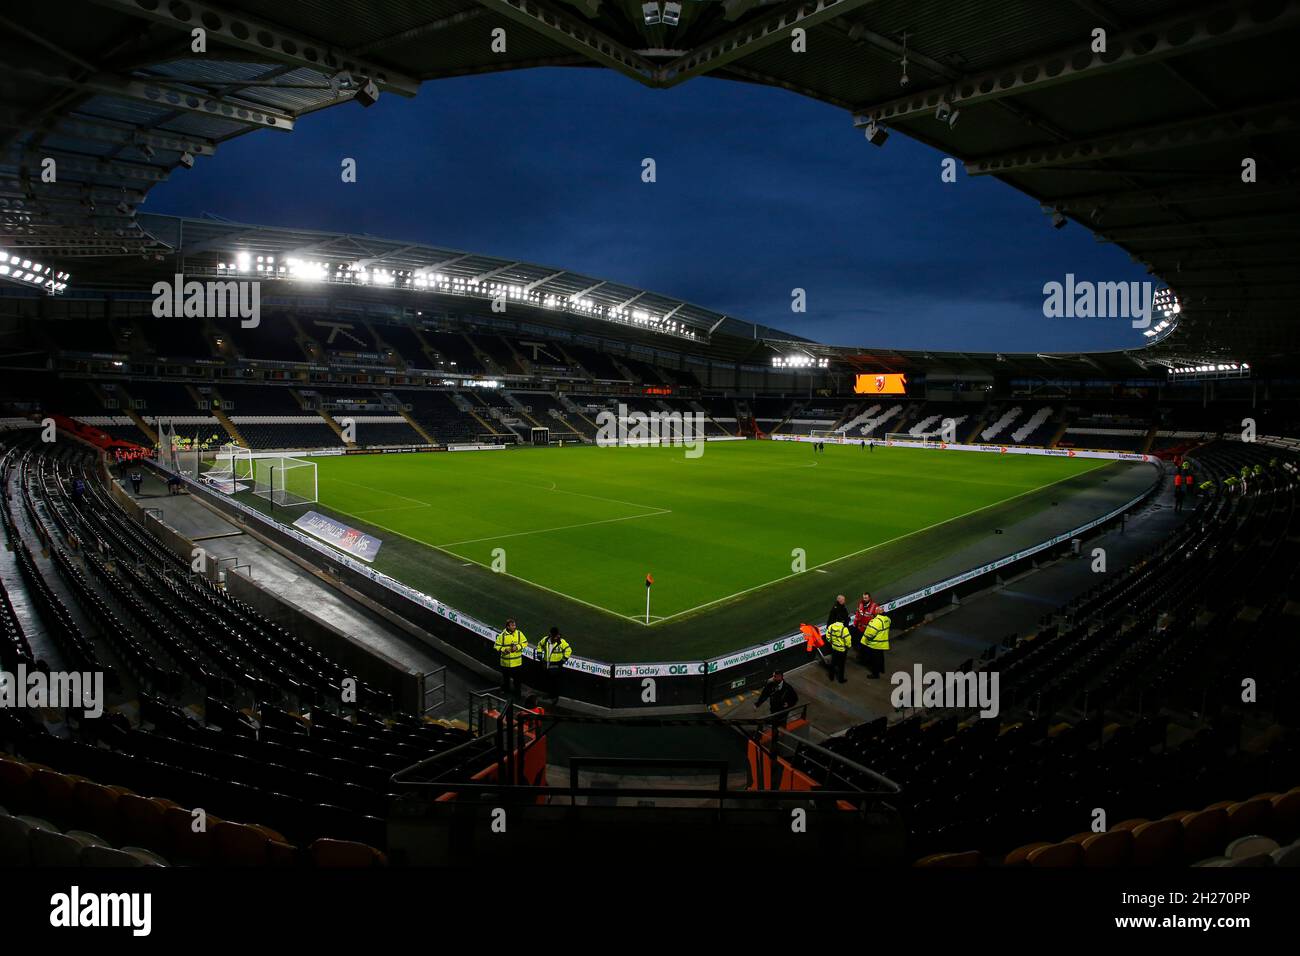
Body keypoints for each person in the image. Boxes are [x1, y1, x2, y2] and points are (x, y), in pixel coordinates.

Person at [494, 618, 528, 699]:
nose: (514, 627)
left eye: (515, 625)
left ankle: (517, 694)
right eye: (512, 625)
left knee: (517, 681)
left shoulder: (519, 634)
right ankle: (506, 692)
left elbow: (525, 642)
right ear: (507, 627)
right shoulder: (502, 635)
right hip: (505, 664)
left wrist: (517, 647)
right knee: (506, 680)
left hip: (517, 663)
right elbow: (496, 646)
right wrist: (503, 649)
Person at [536, 626, 572, 700]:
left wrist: (562, 660)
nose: (556, 637)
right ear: (551, 635)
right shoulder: (545, 640)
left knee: (555, 682)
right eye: (555, 636)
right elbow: (539, 645)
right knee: (548, 680)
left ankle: (554, 696)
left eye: (557, 636)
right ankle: (550, 695)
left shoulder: (562, 642)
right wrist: (539, 653)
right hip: (546, 664)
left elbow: (568, 650)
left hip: (556, 666)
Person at [859, 612, 891, 679]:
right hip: (882, 643)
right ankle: (881, 669)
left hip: (875, 644)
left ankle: (875, 674)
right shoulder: (887, 619)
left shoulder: (875, 622)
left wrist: (866, 637)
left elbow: (870, 634)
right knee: (880, 657)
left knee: (874, 660)